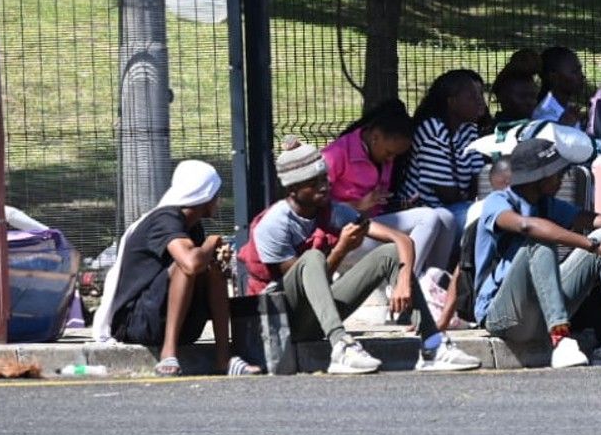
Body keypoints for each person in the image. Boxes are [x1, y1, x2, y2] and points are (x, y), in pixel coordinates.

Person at [243, 140, 482, 374]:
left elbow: (402, 240)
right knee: (312, 257)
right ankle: (341, 347)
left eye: (324, 178)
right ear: (292, 189)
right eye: (313, 183)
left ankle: (432, 345)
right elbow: (306, 288)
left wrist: (403, 279)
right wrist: (341, 250)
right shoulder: (273, 225)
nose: (324, 187)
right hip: (284, 320)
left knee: (389, 254)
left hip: (321, 314)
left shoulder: (332, 210)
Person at [473, 133, 601, 368]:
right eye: (557, 173)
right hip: (504, 316)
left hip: (540, 313)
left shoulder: (547, 204)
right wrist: (592, 246)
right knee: (539, 241)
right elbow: (526, 225)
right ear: (538, 178)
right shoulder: (497, 202)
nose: (563, 178)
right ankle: (561, 340)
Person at [94, 159, 250, 376]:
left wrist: (211, 256)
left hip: (174, 322)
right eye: (215, 194)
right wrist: (212, 242)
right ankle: (169, 353)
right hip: (136, 323)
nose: (218, 200)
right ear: (204, 195)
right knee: (186, 265)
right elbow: (190, 263)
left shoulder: (192, 226)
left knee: (213, 267)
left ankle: (224, 359)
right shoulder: (165, 219)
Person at [322, 101, 458, 274]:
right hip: (344, 239)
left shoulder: (382, 156)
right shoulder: (337, 154)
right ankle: (404, 284)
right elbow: (317, 208)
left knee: (446, 217)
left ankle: (430, 282)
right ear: (375, 136)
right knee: (427, 217)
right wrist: (358, 205)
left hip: (373, 228)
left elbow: (378, 208)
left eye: (395, 155)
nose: (391, 159)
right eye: (389, 153)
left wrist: (398, 206)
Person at [401, 69, 490, 224]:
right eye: (472, 98)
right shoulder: (431, 131)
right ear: (452, 102)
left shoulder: (469, 128)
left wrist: (468, 195)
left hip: (459, 205)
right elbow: (447, 195)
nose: (480, 102)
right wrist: (467, 196)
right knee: (483, 216)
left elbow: (479, 177)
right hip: (429, 213)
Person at [531, 45, 589, 127]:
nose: (582, 76)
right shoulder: (545, 116)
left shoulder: (567, 109)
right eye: (575, 72)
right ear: (554, 77)